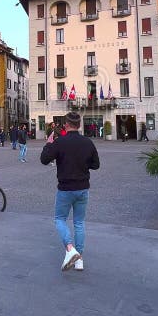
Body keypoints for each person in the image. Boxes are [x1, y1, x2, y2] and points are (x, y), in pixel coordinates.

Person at [40, 112, 100, 272]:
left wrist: (48, 143)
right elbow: (96, 165)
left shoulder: (60, 142)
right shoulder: (88, 142)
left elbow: (44, 159)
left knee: (60, 219)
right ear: (79, 125)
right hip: (82, 188)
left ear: (66, 125)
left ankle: (70, 248)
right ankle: (79, 259)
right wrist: (82, 163)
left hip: (65, 189)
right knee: (79, 223)